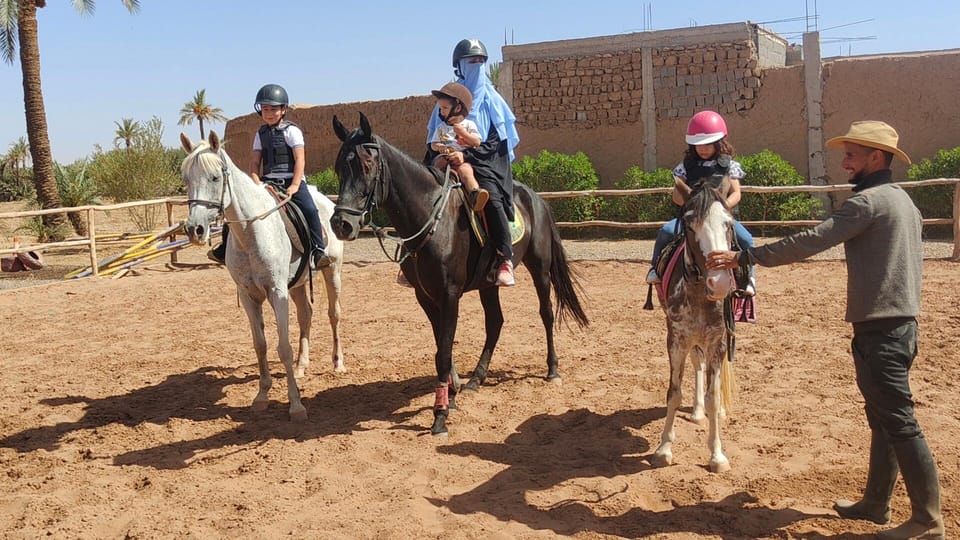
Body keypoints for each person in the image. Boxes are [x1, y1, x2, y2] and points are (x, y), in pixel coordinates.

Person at [707, 121, 943, 540]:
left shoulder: (866, 203)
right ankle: (876, 502)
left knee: (900, 422)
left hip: (881, 330)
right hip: (900, 326)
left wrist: (746, 257)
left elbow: (810, 241)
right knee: (883, 418)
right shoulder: (903, 202)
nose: (844, 162)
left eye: (851, 154)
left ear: (875, 157)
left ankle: (927, 521)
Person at [426, 38, 521, 287]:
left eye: (481, 61)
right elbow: (433, 139)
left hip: (484, 162)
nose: (476, 65)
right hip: (446, 158)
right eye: (471, 61)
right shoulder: (447, 99)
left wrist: (464, 156)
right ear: (459, 65)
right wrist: (442, 154)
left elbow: (494, 144)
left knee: (493, 199)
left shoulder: (493, 101)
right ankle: (414, 256)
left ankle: (504, 259)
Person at [208, 83, 329, 268]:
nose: (269, 113)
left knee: (310, 210)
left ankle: (318, 251)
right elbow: (255, 162)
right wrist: (256, 181)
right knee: (235, 209)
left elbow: (300, 161)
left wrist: (296, 185)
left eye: (273, 109)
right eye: (265, 109)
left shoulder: (291, 131)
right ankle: (225, 249)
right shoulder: (260, 134)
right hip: (268, 182)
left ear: (283, 109)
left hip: (291, 180)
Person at [645, 109, 756, 296]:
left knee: (746, 239)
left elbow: (736, 193)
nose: (703, 148)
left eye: (708, 144)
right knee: (665, 232)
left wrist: (720, 209)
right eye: (698, 145)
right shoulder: (685, 168)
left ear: (718, 143)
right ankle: (655, 268)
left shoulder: (728, 166)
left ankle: (749, 278)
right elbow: (677, 197)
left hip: (719, 219)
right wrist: (694, 207)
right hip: (693, 218)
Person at [429, 82, 489, 212]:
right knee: (434, 168)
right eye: (440, 108)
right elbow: (433, 144)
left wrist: (463, 133)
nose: (441, 112)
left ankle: (476, 194)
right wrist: (439, 147)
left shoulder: (468, 125)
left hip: (462, 160)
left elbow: (476, 142)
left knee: (466, 172)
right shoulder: (441, 128)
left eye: (444, 108)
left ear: (457, 108)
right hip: (445, 157)